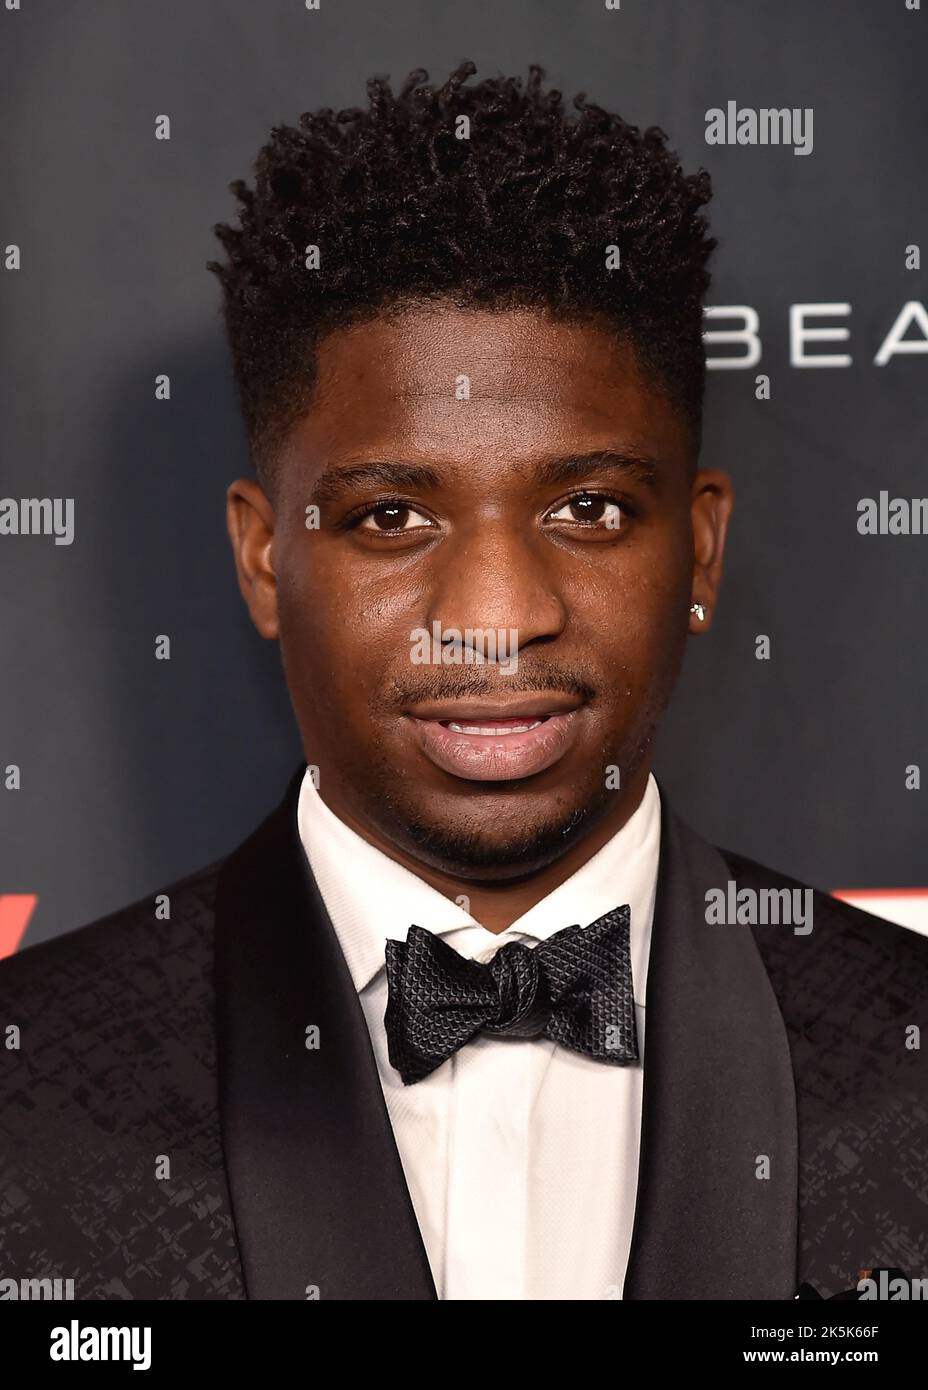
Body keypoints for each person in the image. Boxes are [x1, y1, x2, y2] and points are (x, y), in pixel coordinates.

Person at [1, 62, 925, 1302]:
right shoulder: (27, 1084)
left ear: (700, 550)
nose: (496, 619)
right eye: (391, 516)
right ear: (265, 559)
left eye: (589, 507)